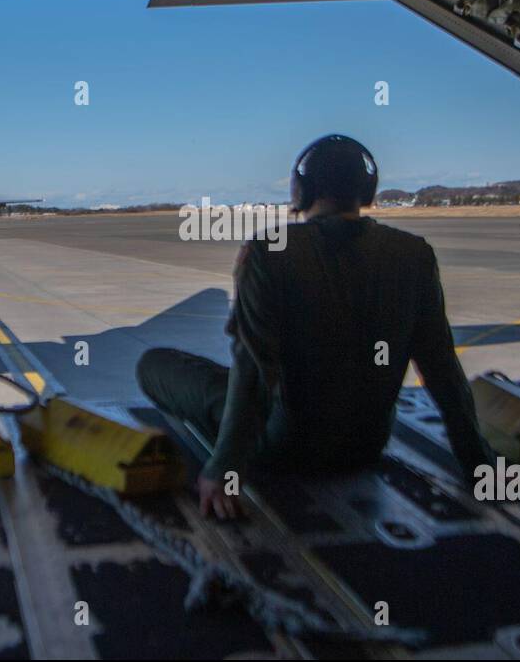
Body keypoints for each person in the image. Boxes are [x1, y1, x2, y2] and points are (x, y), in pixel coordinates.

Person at [136, 135, 490, 519]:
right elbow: (443, 371)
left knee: (154, 364)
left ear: (301, 188)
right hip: (366, 447)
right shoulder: (414, 254)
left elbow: (253, 372)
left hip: (284, 448)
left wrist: (224, 469)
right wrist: (480, 465)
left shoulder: (269, 251)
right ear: (367, 189)